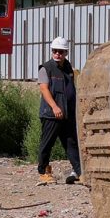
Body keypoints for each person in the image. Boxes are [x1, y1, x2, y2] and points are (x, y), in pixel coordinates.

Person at [36, 35, 81, 183]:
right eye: (55, 51)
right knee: (47, 143)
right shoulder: (46, 68)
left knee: (71, 143)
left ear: (66, 53)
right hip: (51, 114)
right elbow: (44, 89)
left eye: (60, 51)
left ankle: (80, 172)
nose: (57, 54)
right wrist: (55, 107)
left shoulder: (68, 68)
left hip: (67, 113)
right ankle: (44, 172)